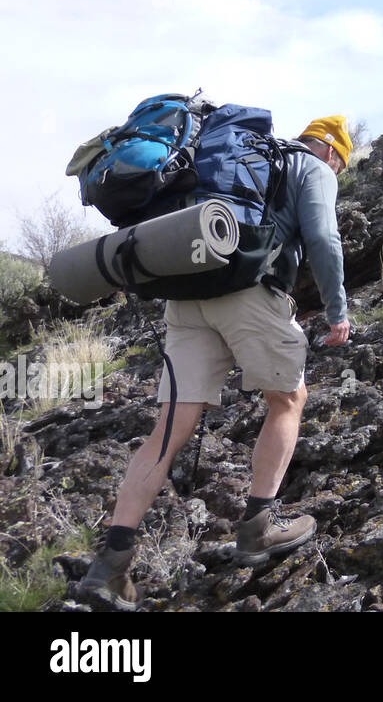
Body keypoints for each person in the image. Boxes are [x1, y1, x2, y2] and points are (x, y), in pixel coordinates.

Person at [74, 116, 354, 611]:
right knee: (289, 399)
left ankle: (110, 566)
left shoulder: (235, 159)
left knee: (167, 430)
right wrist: (338, 312)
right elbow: (323, 239)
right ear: (332, 151)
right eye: (342, 162)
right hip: (248, 293)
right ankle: (258, 527)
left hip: (185, 298)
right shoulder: (315, 168)